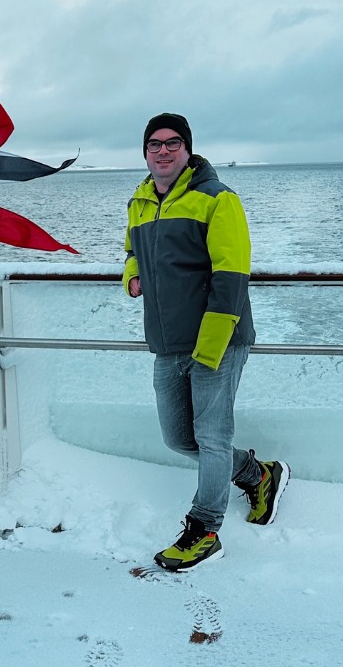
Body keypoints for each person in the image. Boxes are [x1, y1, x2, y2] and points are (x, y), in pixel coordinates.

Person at [123, 112, 290, 572]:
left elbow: (232, 276)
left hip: (217, 341)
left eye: (172, 143)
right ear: (145, 152)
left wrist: (210, 349)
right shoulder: (140, 200)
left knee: (213, 438)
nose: (162, 151)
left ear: (188, 149)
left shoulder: (218, 198)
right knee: (178, 437)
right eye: (154, 144)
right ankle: (258, 475)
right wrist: (133, 276)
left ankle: (205, 530)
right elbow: (132, 250)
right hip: (166, 341)